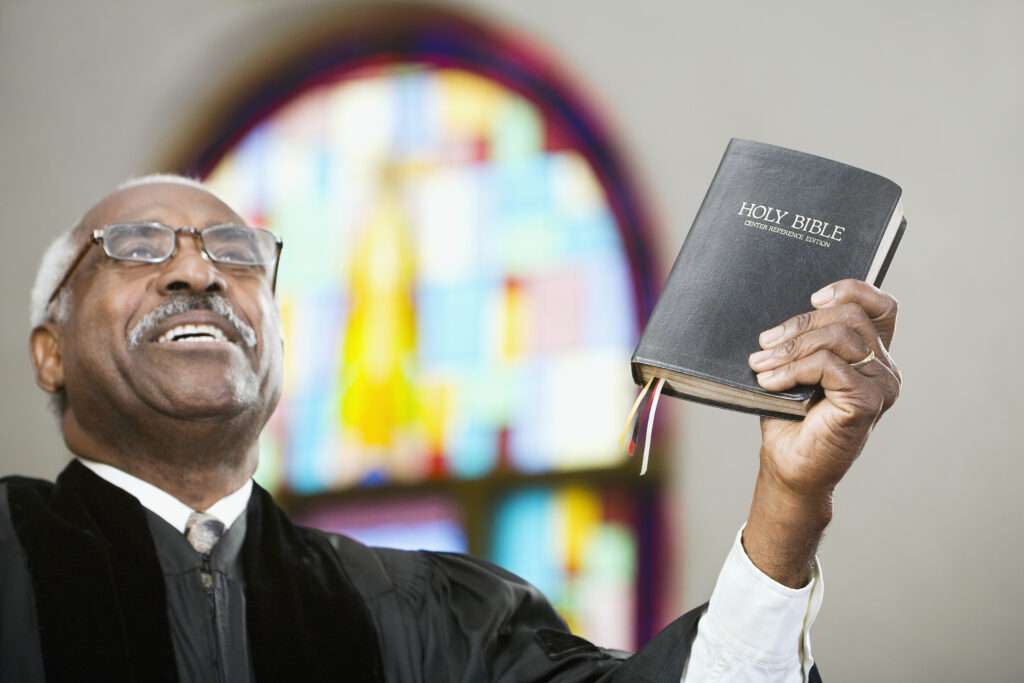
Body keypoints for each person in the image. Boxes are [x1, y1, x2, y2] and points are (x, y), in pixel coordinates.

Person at [0, 176, 901, 682]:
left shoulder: (428, 615)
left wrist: (789, 501)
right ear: (49, 352)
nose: (197, 271)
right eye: (141, 244)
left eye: (237, 255)